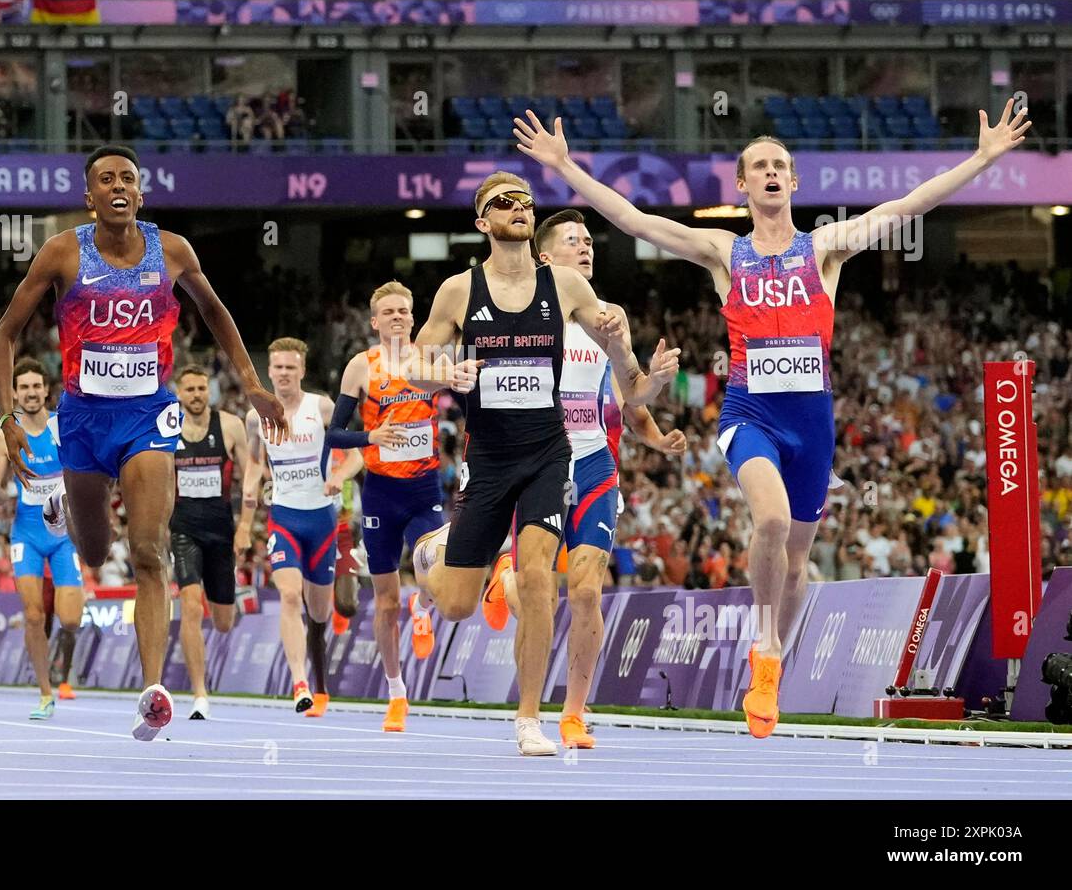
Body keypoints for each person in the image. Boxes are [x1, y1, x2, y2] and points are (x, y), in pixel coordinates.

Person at [512, 100, 1031, 738]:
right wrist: (566, 166)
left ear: (794, 181)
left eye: (780, 165)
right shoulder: (724, 252)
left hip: (812, 421)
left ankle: (775, 656)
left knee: (796, 561)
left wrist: (980, 158)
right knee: (774, 520)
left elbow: (907, 207)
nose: (771, 173)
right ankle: (763, 646)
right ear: (742, 184)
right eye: (758, 165)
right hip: (749, 412)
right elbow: (633, 217)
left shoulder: (825, 249)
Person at [0, 145, 286, 742]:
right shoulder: (62, 252)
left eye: (128, 177)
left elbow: (217, 312)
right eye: (106, 179)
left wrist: (251, 384)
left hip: (149, 415)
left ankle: (152, 691)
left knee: (149, 550)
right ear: (89, 196)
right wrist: (6, 417)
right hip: (79, 420)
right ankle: (71, 512)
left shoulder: (172, 250)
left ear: (141, 194)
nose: (118, 185)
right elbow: (5, 334)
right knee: (95, 552)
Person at [405, 171, 680, 756]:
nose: (518, 209)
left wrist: (649, 380)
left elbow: (629, 388)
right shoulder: (458, 291)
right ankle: (431, 552)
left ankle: (529, 719)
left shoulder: (568, 288)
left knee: (536, 580)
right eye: (503, 203)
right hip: (488, 460)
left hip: (547, 455)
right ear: (483, 223)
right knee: (455, 603)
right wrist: (443, 375)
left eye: (526, 202)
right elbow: (413, 367)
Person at [484, 209, 687, 748]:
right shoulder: (522, 309)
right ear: (545, 256)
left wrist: (657, 392)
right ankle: (501, 583)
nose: (587, 249)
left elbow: (631, 392)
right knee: (537, 591)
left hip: (594, 465)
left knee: (587, 592)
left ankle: (573, 712)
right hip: (537, 463)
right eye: (574, 241)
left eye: (590, 241)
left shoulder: (609, 316)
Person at [327, 281, 445, 733]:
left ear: (413, 317)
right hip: (380, 493)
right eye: (388, 312)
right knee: (384, 601)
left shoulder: (430, 361)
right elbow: (335, 435)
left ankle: (425, 607)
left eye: (404, 310)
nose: (398, 317)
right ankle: (397, 693)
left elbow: (471, 400)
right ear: (374, 321)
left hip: (423, 488)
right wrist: (370, 437)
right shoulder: (360, 367)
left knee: (436, 568)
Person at [239, 338, 363, 716]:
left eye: (290, 368)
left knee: (320, 613)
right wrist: (246, 514)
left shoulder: (321, 406)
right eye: (277, 367)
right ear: (269, 371)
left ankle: (321, 667)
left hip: (323, 519)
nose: (283, 374)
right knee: (290, 597)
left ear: (302, 371)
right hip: (285, 518)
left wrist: (337, 475)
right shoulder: (255, 417)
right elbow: (255, 465)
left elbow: (356, 455)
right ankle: (300, 683)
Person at [0, 357, 84, 720]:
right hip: (26, 533)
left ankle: (62, 660)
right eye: (23, 387)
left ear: (46, 390)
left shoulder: (63, 427)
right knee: (32, 614)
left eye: (35, 386)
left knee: (70, 618)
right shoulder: (5, 434)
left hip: (63, 536)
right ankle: (45, 693)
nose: (30, 392)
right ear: (14, 393)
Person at [169, 363, 248, 720]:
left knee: (223, 622)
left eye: (202, 388)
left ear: (210, 390)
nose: (197, 395)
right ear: (179, 394)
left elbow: (250, 479)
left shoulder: (231, 426)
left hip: (221, 532)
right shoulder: (167, 431)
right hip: (183, 529)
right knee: (189, 606)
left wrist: (247, 524)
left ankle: (232, 602)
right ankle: (199, 693)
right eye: (190, 390)